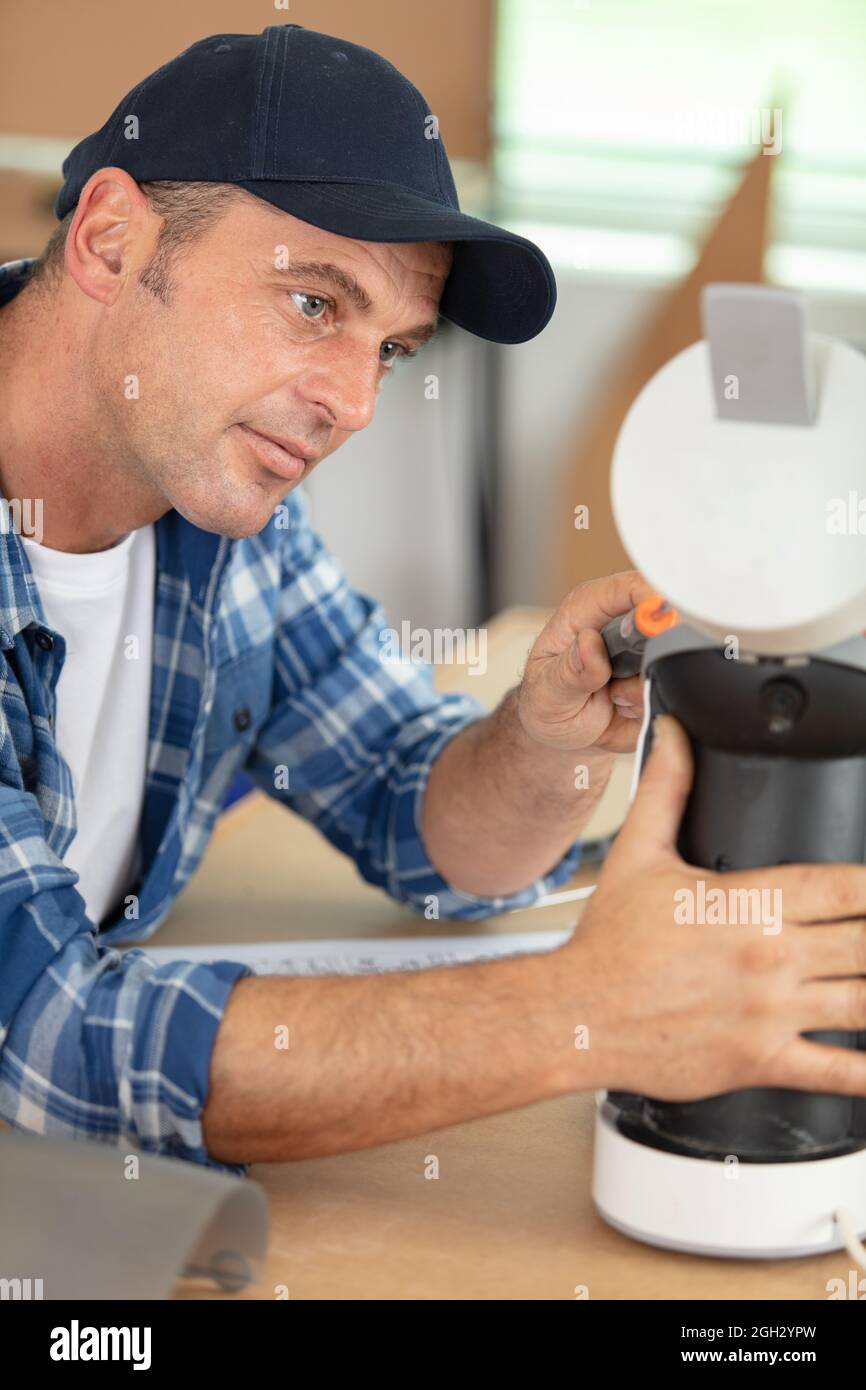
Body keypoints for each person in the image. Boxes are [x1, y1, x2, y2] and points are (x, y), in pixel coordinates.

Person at [1, 25, 864, 1172]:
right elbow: (54, 1039)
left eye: (393, 349)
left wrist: (539, 737)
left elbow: (409, 806)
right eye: (315, 304)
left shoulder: (212, 507)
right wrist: (593, 1006)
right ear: (112, 241)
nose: (355, 403)